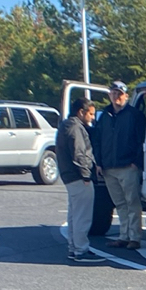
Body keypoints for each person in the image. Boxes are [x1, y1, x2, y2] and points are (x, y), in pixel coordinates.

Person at [91, 80, 146, 249]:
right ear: (109, 95)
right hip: (108, 167)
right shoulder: (104, 116)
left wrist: (136, 162)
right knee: (120, 204)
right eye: (113, 93)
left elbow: (142, 141)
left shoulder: (135, 115)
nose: (116, 97)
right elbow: (98, 140)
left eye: (119, 94)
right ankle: (123, 236)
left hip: (128, 166)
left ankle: (135, 238)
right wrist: (99, 163)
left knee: (133, 203)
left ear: (126, 96)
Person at [56, 97, 98, 262]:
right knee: (82, 215)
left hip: (69, 175)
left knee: (74, 214)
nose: (93, 118)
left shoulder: (66, 125)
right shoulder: (75, 128)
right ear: (81, 112)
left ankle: (74, 248)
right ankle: (81, 250)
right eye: (91, 114)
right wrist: (86, 174)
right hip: (78, 176)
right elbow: (79, 153)